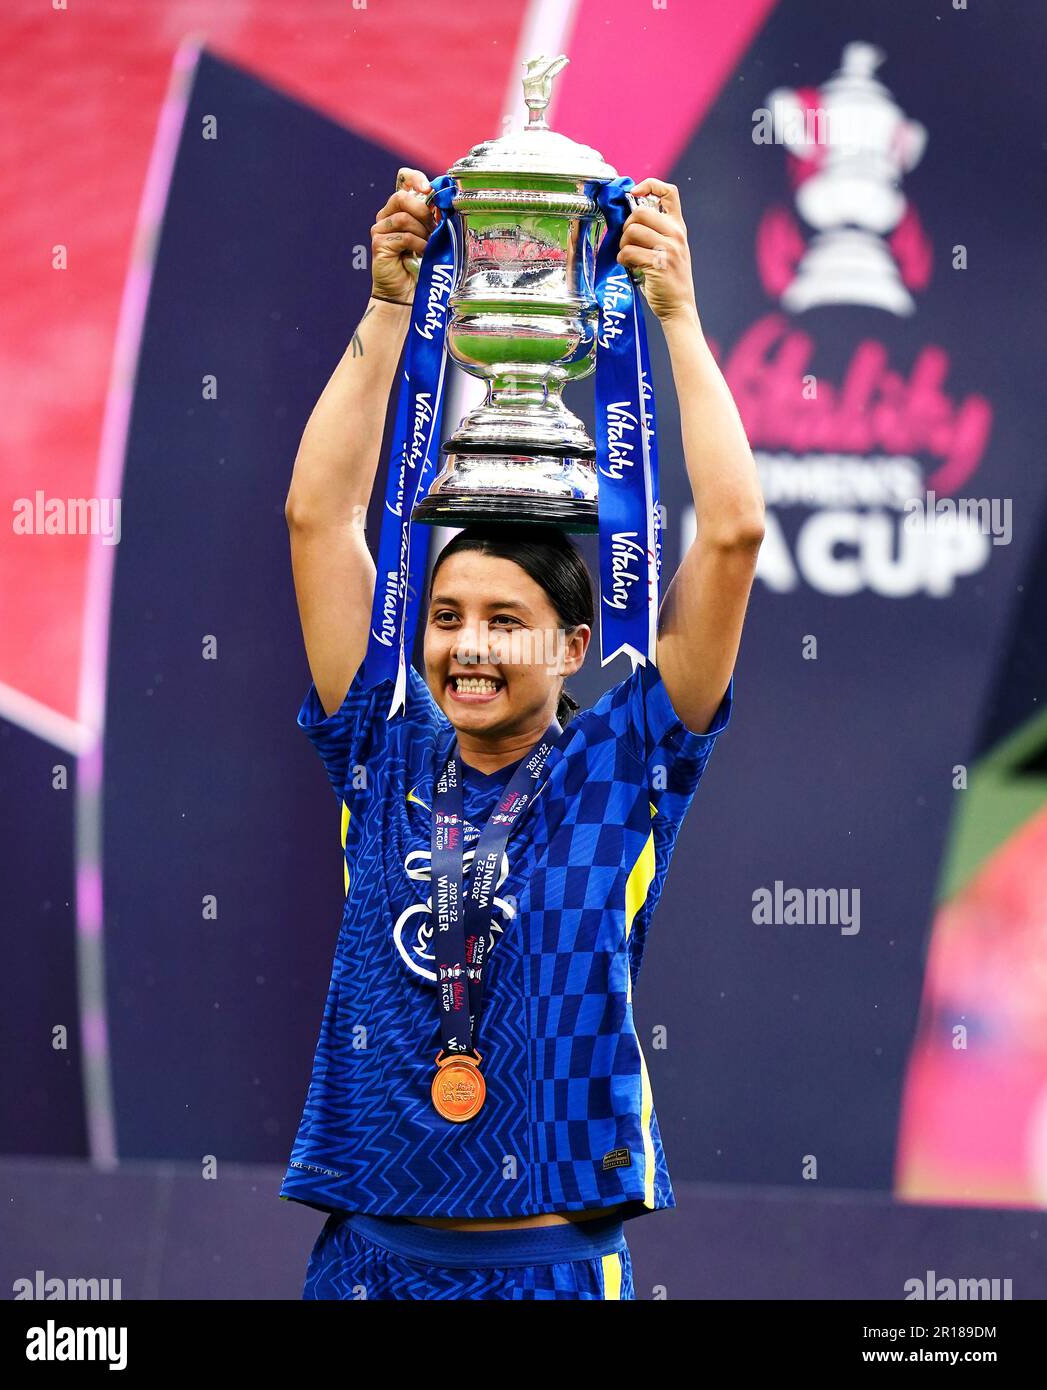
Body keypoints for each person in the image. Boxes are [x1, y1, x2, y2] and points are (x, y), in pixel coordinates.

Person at [281, 167, 764, 1300]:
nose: (468, 648)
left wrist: (679, 320)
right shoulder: (384, 751)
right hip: (368, 1263)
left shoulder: (623, 764)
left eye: (507, 621)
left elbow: (732, 534)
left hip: (548, 1267)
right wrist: (390, 305)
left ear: (576, 641)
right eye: (447, 619)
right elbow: (318, 517)